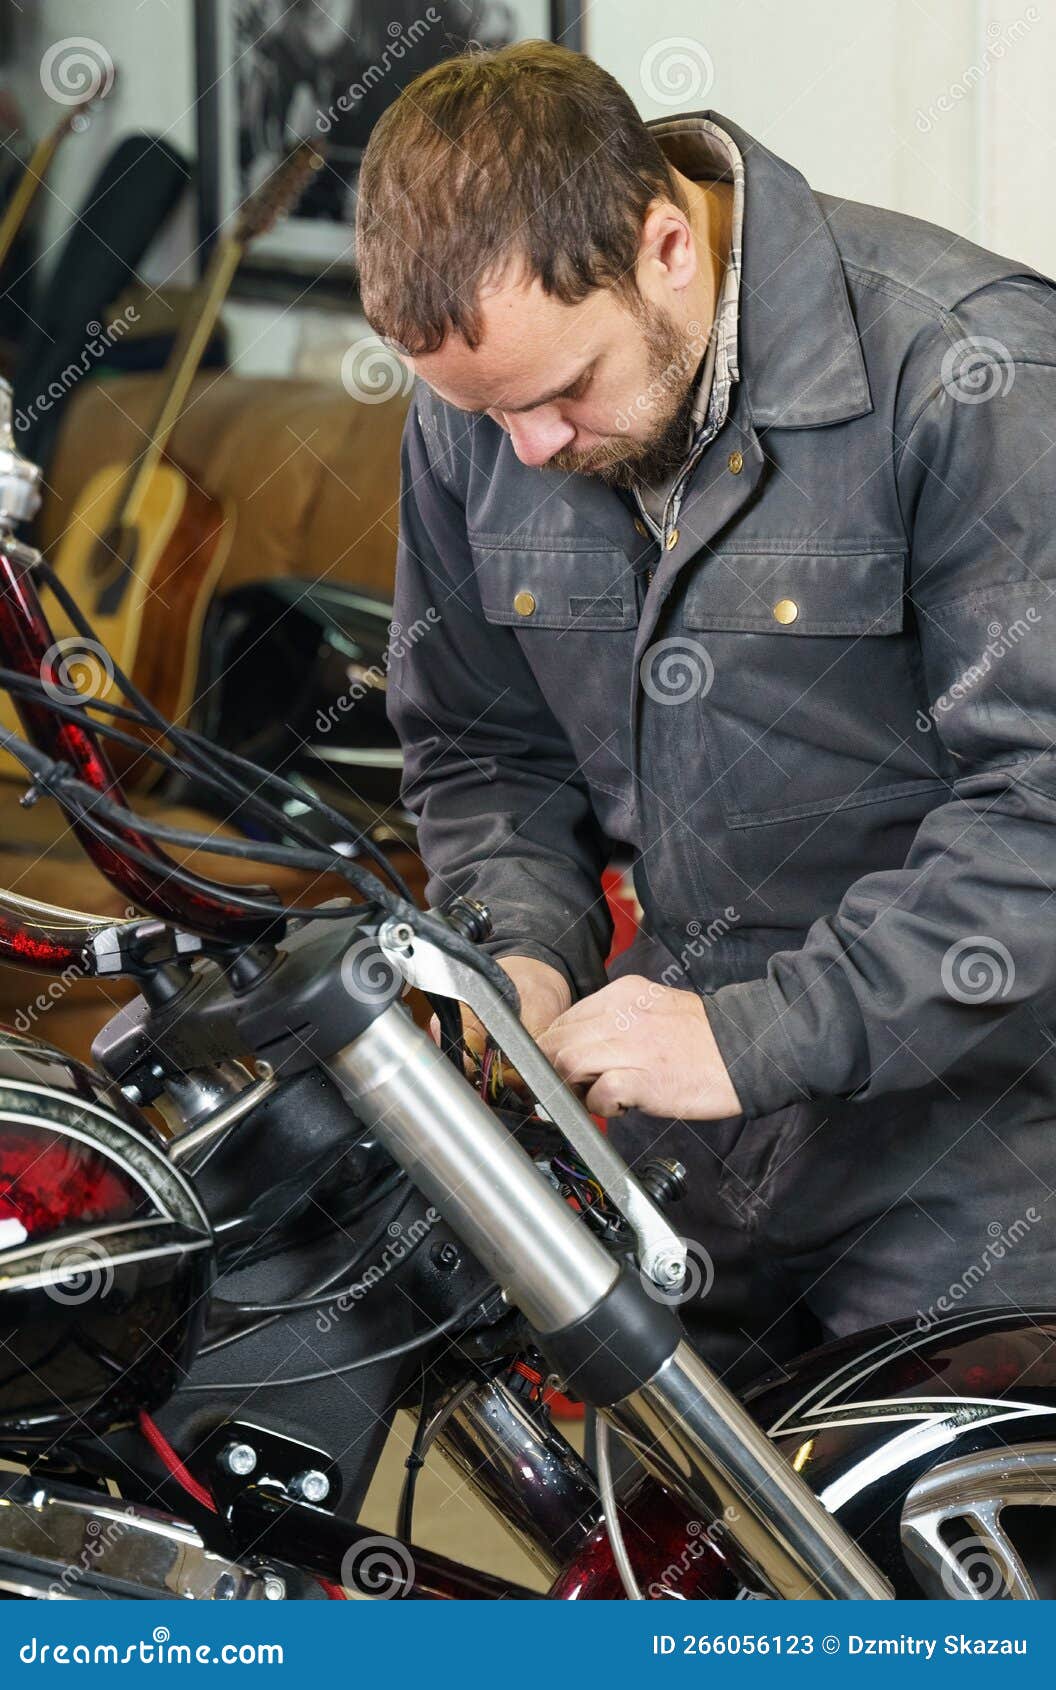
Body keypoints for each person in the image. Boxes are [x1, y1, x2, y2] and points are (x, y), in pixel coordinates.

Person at [354, 40, 1056, 1387]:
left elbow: (1042, 809)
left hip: (986, 1144)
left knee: (916, 1567)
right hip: (700, 1129)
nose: (531, 450)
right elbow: (484, 744)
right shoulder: (489, 407)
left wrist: (756, 1034)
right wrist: (521, 957)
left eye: (564, 393)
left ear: (666, 244)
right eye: (488, 412)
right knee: (664, 1546)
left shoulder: (975, 373)